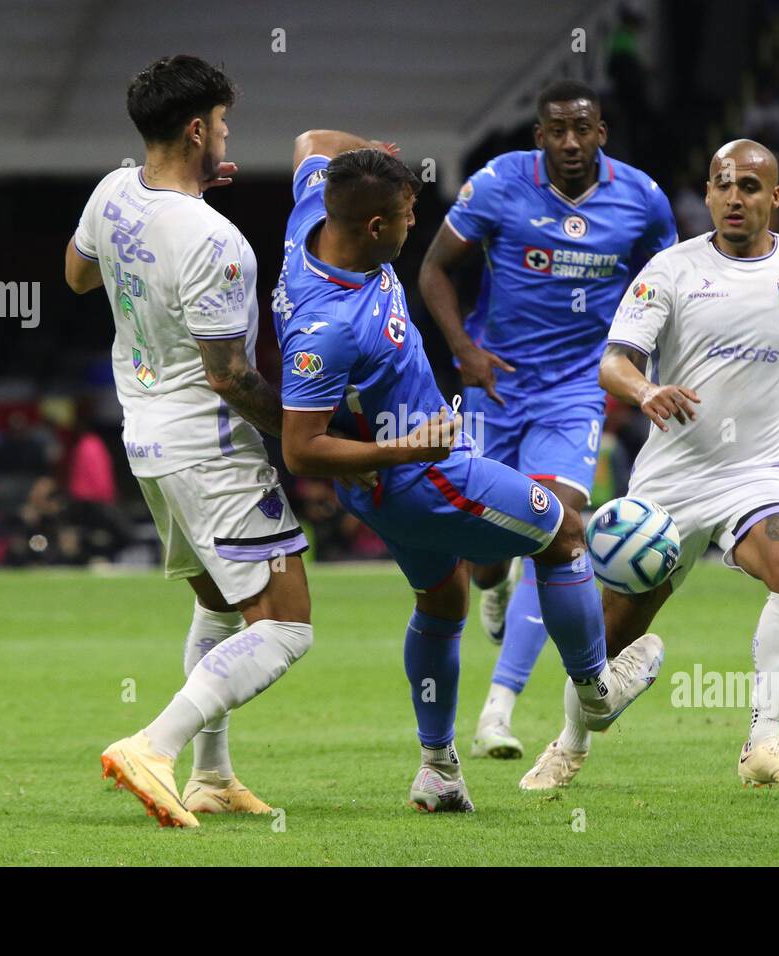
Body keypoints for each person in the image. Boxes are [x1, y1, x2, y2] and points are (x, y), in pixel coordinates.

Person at [274, 131, 665, 812]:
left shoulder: (315, 205)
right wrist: (406, 451)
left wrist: (372, 153)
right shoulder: (330, 326)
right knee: (565, 532)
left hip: (390, 483)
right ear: (372, 227)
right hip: (421, 476)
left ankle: (439, 770)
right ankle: (596, 689)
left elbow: (312, 140)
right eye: (403, 215)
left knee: (443, 601)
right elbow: (299, 450)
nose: (413, 223)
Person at [520, 139, 779, 791]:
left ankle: (765, 743)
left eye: (750, 187)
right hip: (669, 485)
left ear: (775, 197)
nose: (735, 197)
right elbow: (613, 362)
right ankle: (570, 742)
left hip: (756, 475)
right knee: (605, 644)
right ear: (707, 194)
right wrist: (647, 390)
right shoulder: (668, 272)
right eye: (723, 185)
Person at [65, 55, 314, 828]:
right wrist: (304, 440)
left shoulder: (111, 192)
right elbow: (231, 377)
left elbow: (77, 277)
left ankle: (210, 775)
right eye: (224, 123)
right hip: (209, 448)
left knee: (215, 604)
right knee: (284, 625)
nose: (228, 134)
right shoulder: (218, 240)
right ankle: (155, 745)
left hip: (145, 439)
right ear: (199, 129)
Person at [418, 80, 676, 760]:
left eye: (581, 129)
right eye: (556, 130)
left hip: (575, 389)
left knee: (557, 526)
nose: (569, 141)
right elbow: (434, 269)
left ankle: (498, 710)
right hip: (495, 386)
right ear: (539, 136)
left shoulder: (642, 200)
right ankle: (494, 583)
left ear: (602, 133)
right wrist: (464, 351)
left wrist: (650, 371)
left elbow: (667, 286)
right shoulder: (499, 184)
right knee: (483, 558)